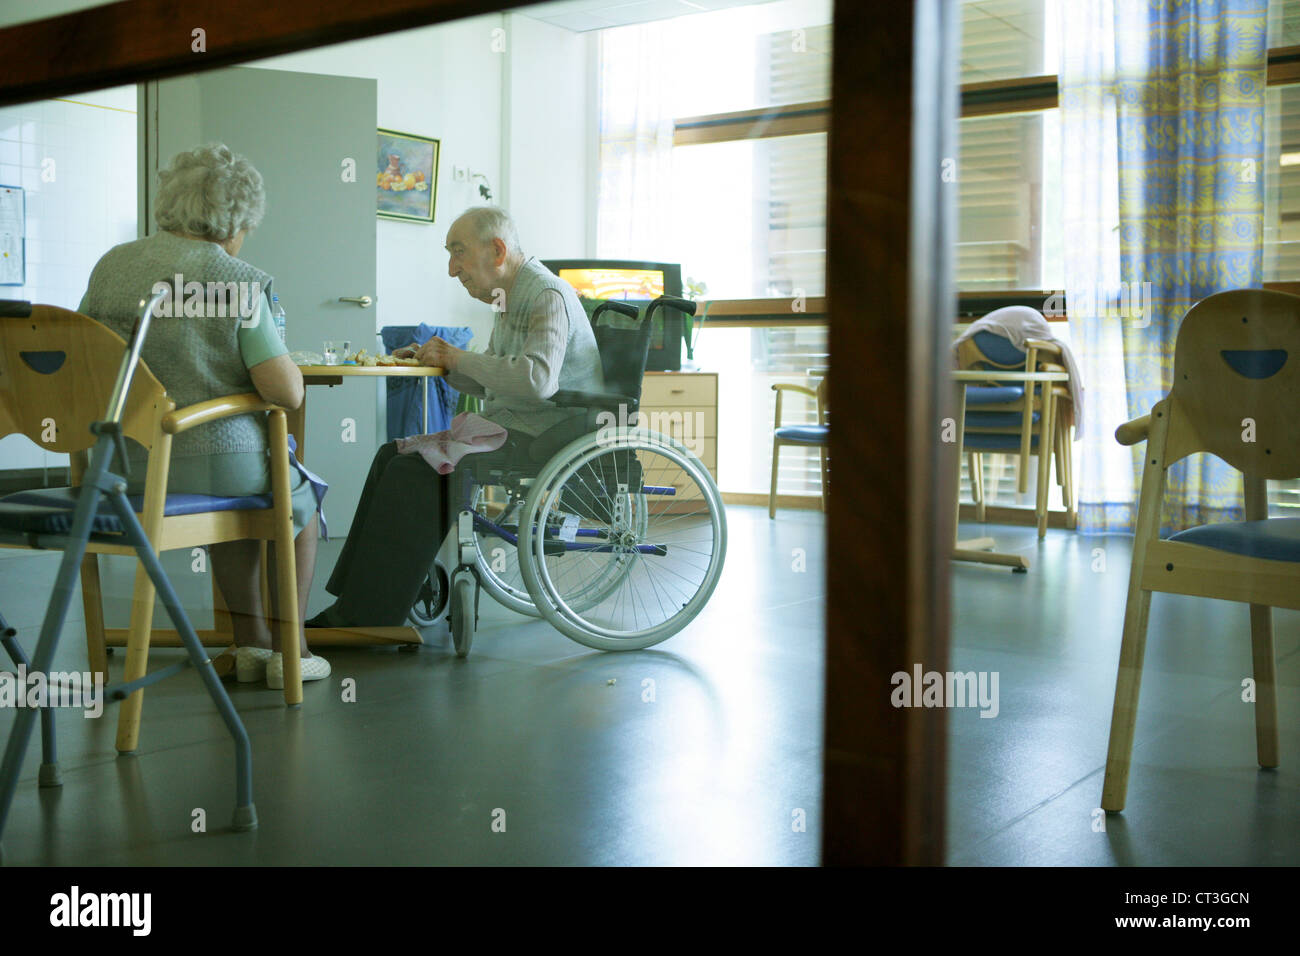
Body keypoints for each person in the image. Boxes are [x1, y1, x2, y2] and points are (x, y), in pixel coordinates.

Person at [78, 142, 329, 688]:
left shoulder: (110, 268)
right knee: (300, 504)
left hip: (120, 468)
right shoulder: (235, 278)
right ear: (234, 220)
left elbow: (83, 362)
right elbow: (286, 393)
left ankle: (250, 645)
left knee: (240, 516)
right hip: (215, 463)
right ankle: (292, 650)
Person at [307, 206, 605, 627]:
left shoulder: (545, 295)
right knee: (389, 456)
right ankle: (354, 603)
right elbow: (493, 381)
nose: (452, 269)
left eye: (458, 252)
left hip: (547, 433)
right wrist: (437, 364)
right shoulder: (510, 297)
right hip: (514, 424)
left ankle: (370, 617)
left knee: (414, 472)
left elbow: (537, 381)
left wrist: (459, 358)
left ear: (497, 250)